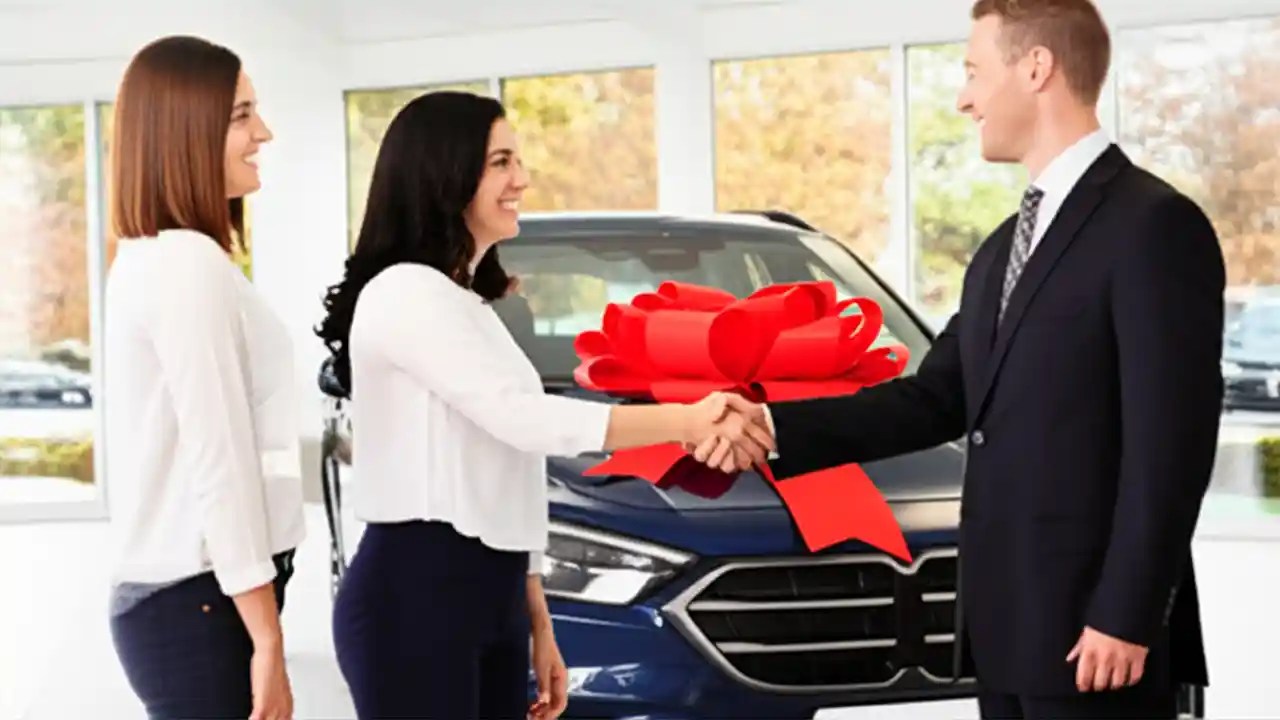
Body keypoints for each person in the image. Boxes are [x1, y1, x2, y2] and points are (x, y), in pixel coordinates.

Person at [695, 0, 1224, 717]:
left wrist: (1128, 613)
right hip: (1007, 631)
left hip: (1100, 635)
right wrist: (769, 425)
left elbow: (1172, 445)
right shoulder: (1004, 247)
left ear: (1036, 68)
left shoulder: (1154, 226)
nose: (963, 96)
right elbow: (935, 398)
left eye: (974, 71)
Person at [314, 90, 772, 720]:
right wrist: (689, 420)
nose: (522, 179)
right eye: (501, 162)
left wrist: (536, 619)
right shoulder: (404, 293)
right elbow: (525, 421)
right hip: (417, 595)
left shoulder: (467, 304)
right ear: (445, 174)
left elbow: (510, 467)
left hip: (488, 591)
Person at [104, 35, 302, 720]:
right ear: (186, 130)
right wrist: (268, 639)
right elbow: (219, 456)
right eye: (241, 115)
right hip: (198, 602)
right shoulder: (185, 263)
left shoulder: (156, 256)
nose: (263, 133)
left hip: (196, 599)